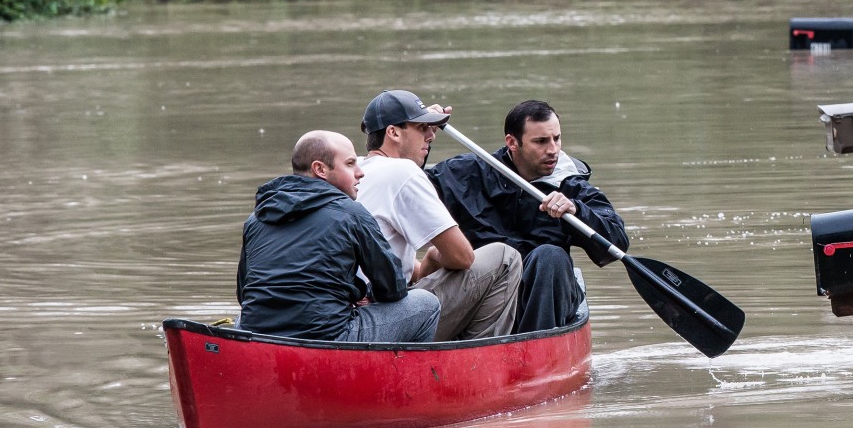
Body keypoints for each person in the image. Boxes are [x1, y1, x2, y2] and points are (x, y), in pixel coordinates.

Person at [427, 99, 629, 333]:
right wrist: (422, 133)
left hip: (544, 301)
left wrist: (577, 210)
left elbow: (617, 243)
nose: (553, 150)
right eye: (541, 141)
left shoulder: (571, 186)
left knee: (550, 256)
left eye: (557, 138)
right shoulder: (464, 174)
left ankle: (536, 347)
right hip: (483, 299)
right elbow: (403, 189)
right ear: (512, 143)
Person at [236, 129, 440, 342]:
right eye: (351, 164)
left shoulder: (256, 218)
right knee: (426, 304)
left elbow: (244, 294)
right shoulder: (352, 213)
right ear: (320, 169)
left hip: (260, 337)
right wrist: (362, 294)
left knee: (242, 318)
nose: (360, 172)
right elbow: (393, 289)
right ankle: (401, 375)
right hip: (328, 337)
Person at [356, 90, 522, 341]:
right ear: (393, 133)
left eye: (432, 128)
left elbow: (391, 261)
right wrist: (435, 255)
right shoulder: (403, 172)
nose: (431, 136)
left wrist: (429, 264)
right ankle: (476, 361)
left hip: (358, 313)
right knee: (504, 258)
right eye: (422, 127)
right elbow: (462, 257)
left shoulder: (353, 171)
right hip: (378, 317)